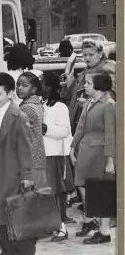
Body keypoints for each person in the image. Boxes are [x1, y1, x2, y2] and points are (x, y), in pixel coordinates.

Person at [0, 73, 37, 255]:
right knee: (1, 215)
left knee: (18, 216)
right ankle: (8, 254)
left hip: (13, 172)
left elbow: (26, 149)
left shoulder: (18, 116)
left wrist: (27, 176)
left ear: (9, 93)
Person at [70, 71, 116, 245]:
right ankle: (91, 221)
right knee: (83, 186)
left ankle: (104, 232)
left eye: (89, 83)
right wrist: (72, 146)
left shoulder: (109, 104)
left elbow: (111, 135)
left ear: (99, 85)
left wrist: (110, 161)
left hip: (100, 154)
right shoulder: (89, 102)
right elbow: (80, 127)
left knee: (101, 191)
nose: (85, 86)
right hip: (85, 152)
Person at [41, 72, 74, 241]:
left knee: (57, 192)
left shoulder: (60, 107)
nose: (41, 86)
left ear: (52, 87)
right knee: (46, 192)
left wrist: (46, 129)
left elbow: (65, 130)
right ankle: (51, 224)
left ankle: (62, 227)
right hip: (42, 154)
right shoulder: (41, 104)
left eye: (44, 84)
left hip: (55, 154)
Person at [61, 39, 116, 132]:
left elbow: (110, 99)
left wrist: (87, 104)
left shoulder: (106, 71)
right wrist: (69, 82)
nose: (87, 58)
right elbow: (73, 95)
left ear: (100, 54)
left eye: (91, 55)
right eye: (85, 55)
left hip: (96, 126)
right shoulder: (86, 71)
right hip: (80, 121)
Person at [15, 72, 48, 189]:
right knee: (39, 200)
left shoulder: (27, 108)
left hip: (30, 161)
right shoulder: (37, 104)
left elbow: (24, 138)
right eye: (18, 84)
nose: (19, 88)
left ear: (34, 89)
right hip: (38, 159)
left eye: (24, 86)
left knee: (29, 201)